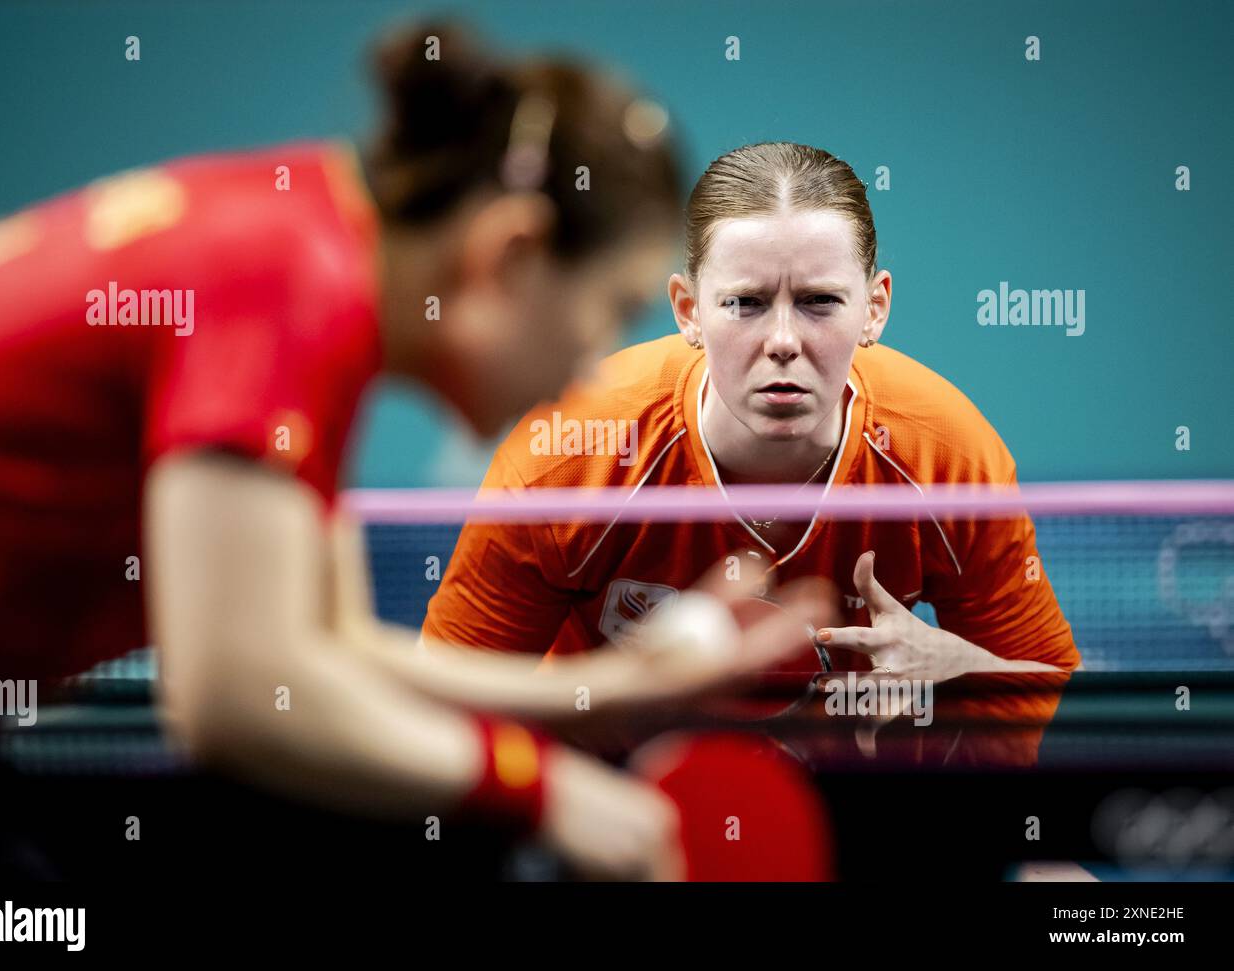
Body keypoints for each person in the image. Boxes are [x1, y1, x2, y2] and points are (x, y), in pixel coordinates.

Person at [0, 27, 834, 879]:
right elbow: (240, 695)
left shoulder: (304, 234)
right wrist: (541, 787)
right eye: (608, 308)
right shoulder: (290, 279)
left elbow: (326, 647)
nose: (585, 371)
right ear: (511, 251)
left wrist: (610, 687)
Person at [423, 142, 1080, 758]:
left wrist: (967, 679)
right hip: (604, 796)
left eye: (821, 301)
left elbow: (1059, 706)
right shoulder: (567, 459)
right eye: (745, 303)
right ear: (688, 310)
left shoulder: (949, 458)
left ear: (875, 308)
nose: (784, 340)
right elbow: (446, 705)